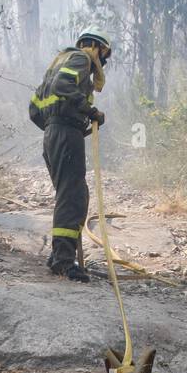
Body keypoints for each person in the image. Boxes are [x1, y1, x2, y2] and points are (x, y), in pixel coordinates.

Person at [29, 26, 111, 283]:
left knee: (75, 194)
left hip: (54, 135)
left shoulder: (56, 64)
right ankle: (64, 262)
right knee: (72, 196)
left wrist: (57, 125)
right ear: (96, 46)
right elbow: (65, 86)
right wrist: (89, 112)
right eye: (104, 55)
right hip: (65, 135)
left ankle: (60, 256)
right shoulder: (81, 58)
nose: (103, 62)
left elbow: (34, 109)